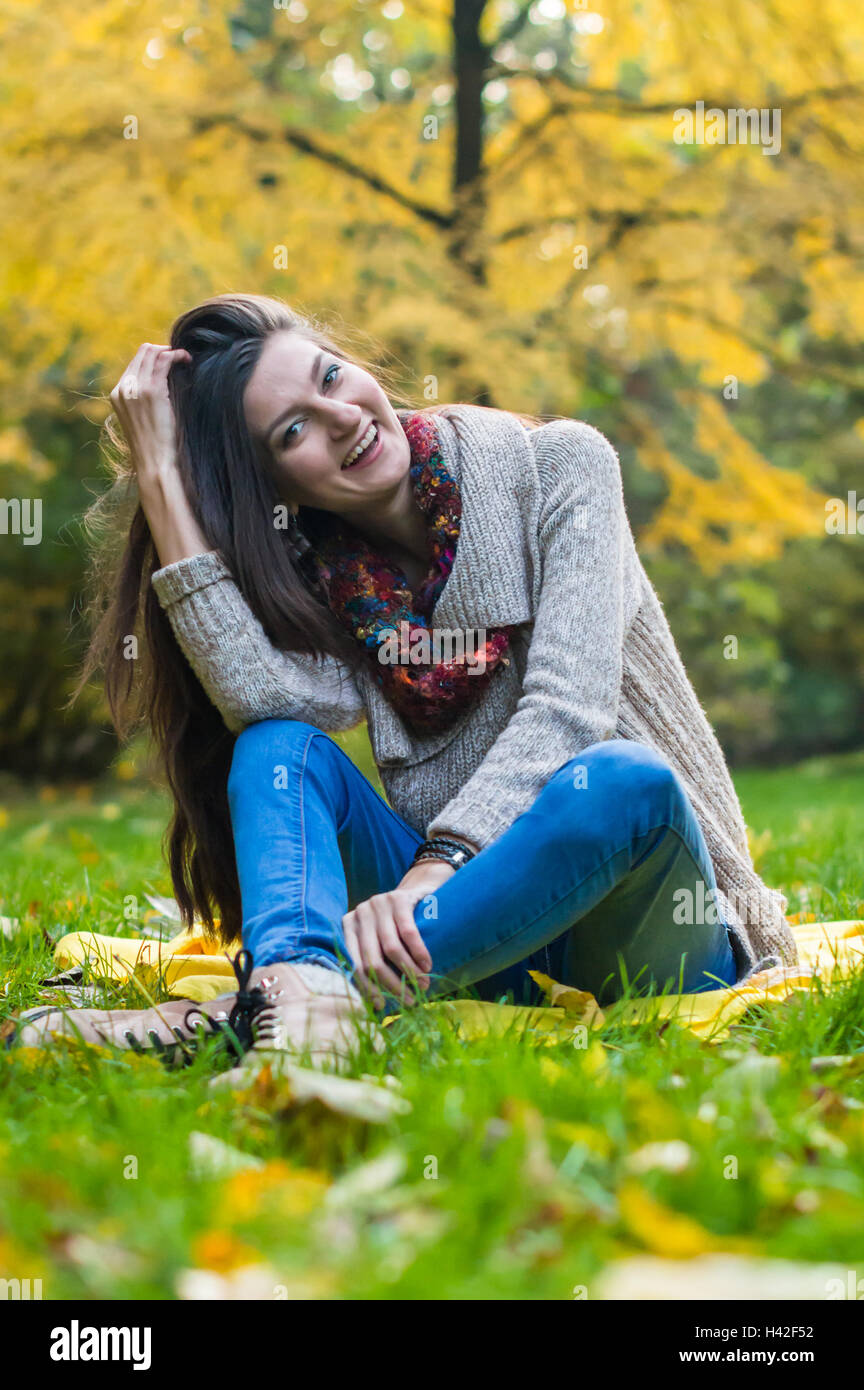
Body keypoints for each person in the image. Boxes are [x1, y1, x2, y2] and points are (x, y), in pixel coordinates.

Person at [16, 294, 797, 1067]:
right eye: (294, 432)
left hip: (644, 933)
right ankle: (299, 992)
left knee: (623, 780)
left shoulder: (561, 467)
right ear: (277, 489)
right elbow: (262, 698)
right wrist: (160, 476)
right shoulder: (332, 580)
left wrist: (441, 860)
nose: (342, 418)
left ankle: (268, 1011)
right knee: (278, 746)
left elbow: (569, 708)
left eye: (330, 377)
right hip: (476, 943)